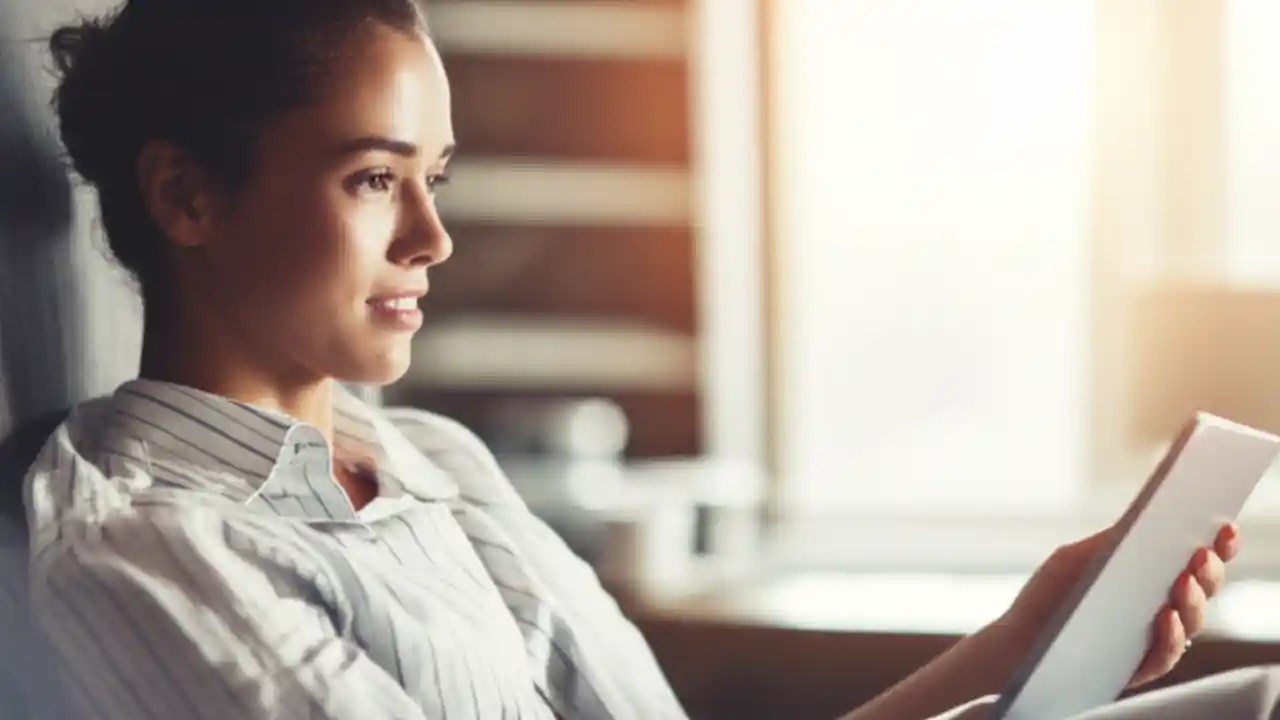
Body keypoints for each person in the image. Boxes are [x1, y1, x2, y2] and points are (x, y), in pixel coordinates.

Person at [17, 0, 1272, 718]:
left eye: (435, 177)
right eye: (373, 178)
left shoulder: (428, 457)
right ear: (185, 195)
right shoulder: (145, 554)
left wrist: (1015, 647)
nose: (434, 236)